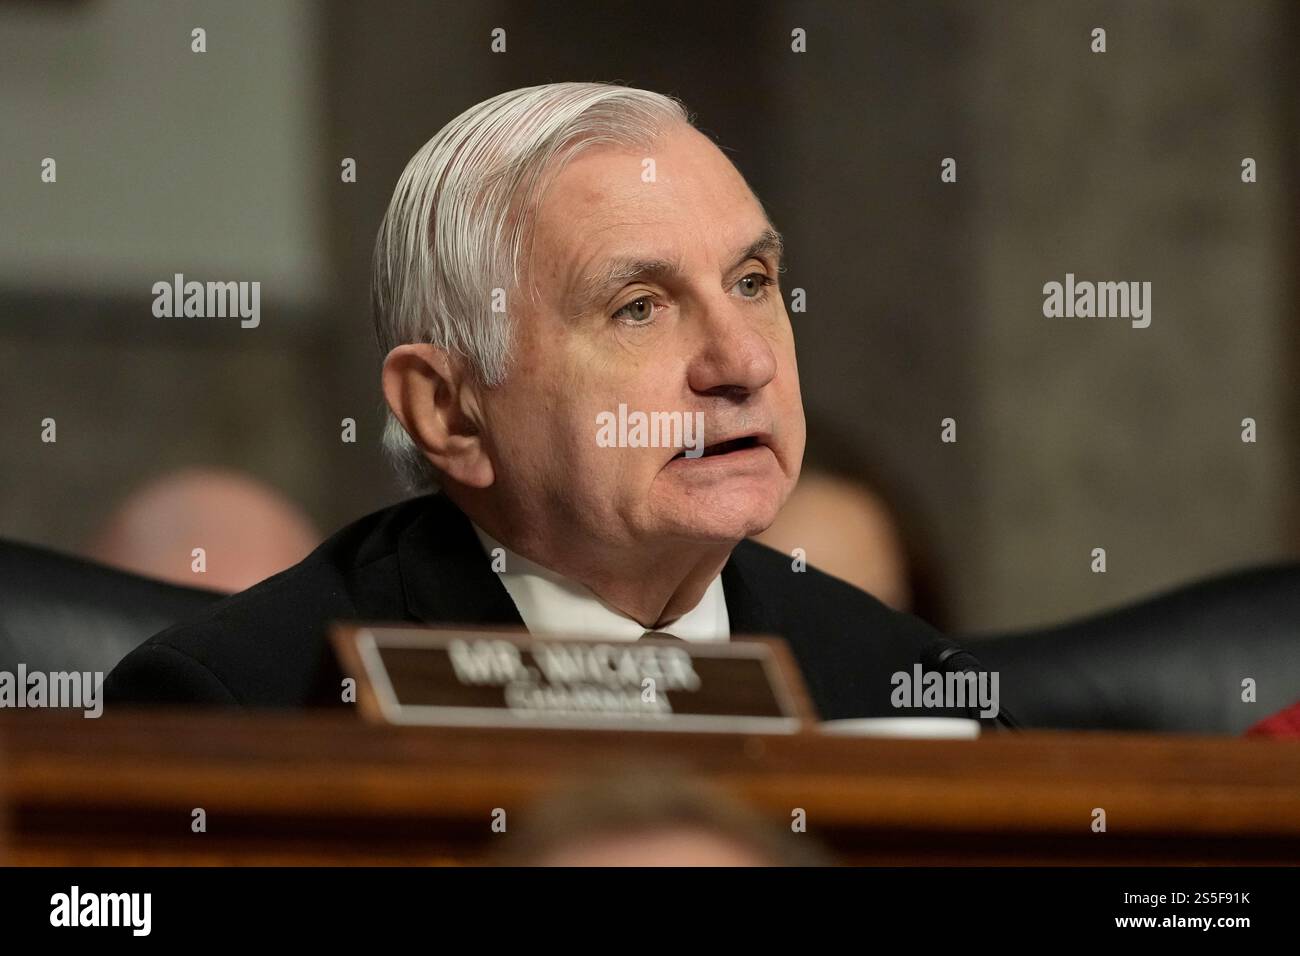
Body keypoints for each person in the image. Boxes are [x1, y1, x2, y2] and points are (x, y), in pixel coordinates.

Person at [105, 82, 969, 722]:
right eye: (638, 307)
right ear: (449, 410)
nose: (743, 362)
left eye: (751, 282)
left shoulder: (906, 685)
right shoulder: (241, 705)